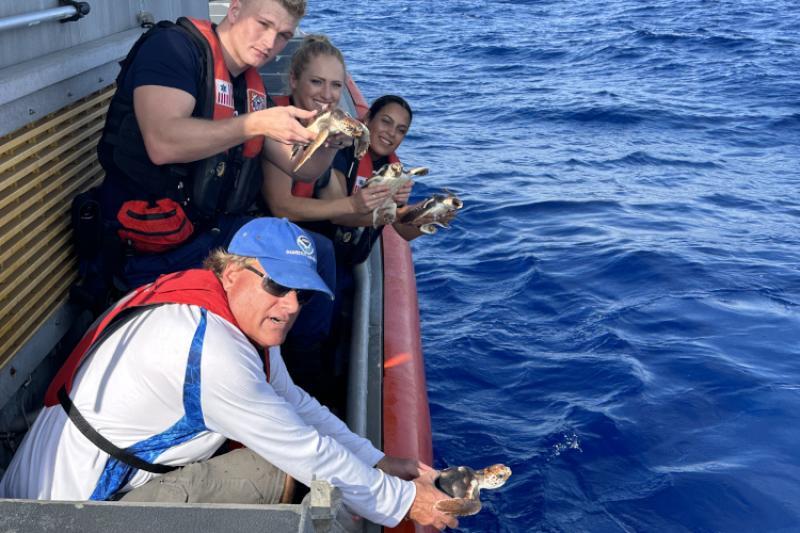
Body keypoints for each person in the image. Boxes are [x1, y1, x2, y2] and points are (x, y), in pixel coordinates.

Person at [0, 218, 458, 531]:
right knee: (277, 470)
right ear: (232, 270)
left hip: (56, 489)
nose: (292, 305)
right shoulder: (210, 350)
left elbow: (292, 402)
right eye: (277, 286)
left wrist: (375, 459)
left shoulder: (214, 308)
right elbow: (303, 449)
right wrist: (402, 503)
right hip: (65, 515)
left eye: (302, 293)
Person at [75, 0, 346, 310]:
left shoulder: (250, 90)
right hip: (150, 246)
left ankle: (298, 358)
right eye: (264, 24)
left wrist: (330, 142)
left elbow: (303, 170)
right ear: (234, 10)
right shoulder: (173, 50)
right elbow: (162, 143)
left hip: (213, 233)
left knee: (318, 254)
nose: (271, 43)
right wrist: (253, 124)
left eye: (284, 34)